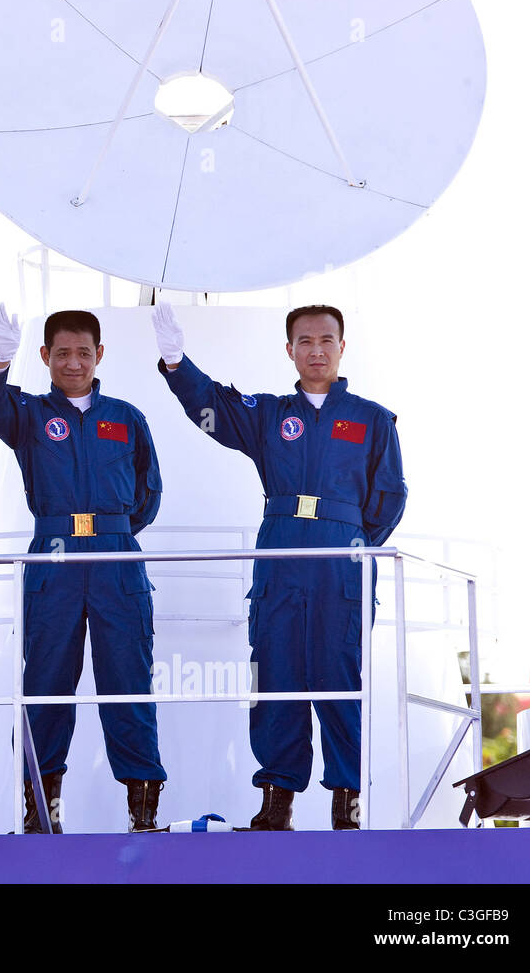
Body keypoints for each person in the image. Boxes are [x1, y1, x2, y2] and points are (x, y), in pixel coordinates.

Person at [152, 302, 406, 830]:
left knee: (341, 682)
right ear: (289, 350)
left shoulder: (373, 419)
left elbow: (389, 496)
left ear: (342, 346)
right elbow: (213, 411)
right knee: (275, 679)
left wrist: (348, 542)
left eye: (326, 340)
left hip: (341, 567)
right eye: (304, 341)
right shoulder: (269, 415)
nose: (316, 350)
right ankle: (276, 801)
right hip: (281, 561)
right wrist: (177, 364)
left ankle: (348, 802)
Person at [0, 303, 166, 833]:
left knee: (128, 680)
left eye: (84, 352)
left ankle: (143, 812)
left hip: (115, 558)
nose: (74, 362)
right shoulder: (29, 415)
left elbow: (149, 492)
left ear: (99, 355)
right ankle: (41, 807)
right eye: (62, 353)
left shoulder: (126, 418)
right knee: (46, 682)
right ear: (45, 357)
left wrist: (113, 535)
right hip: (53, 557)